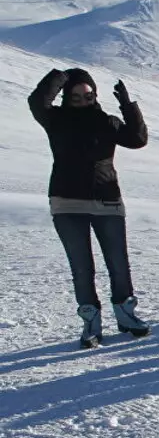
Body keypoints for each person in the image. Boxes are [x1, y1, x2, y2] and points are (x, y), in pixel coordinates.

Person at [27, 67, 150, 348]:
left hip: (107, 201)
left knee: (118, 264)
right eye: (76, 96)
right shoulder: (55, 119)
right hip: (66, 203)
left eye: (88, 94)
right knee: (82, 267)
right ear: (66, 97)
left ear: (95, 95)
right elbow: (37, 102)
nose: (83, 100)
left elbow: (138, 139)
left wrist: (128, 106)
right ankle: (91, 322)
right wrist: (62, 76)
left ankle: (126, 315)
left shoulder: (106, 122)